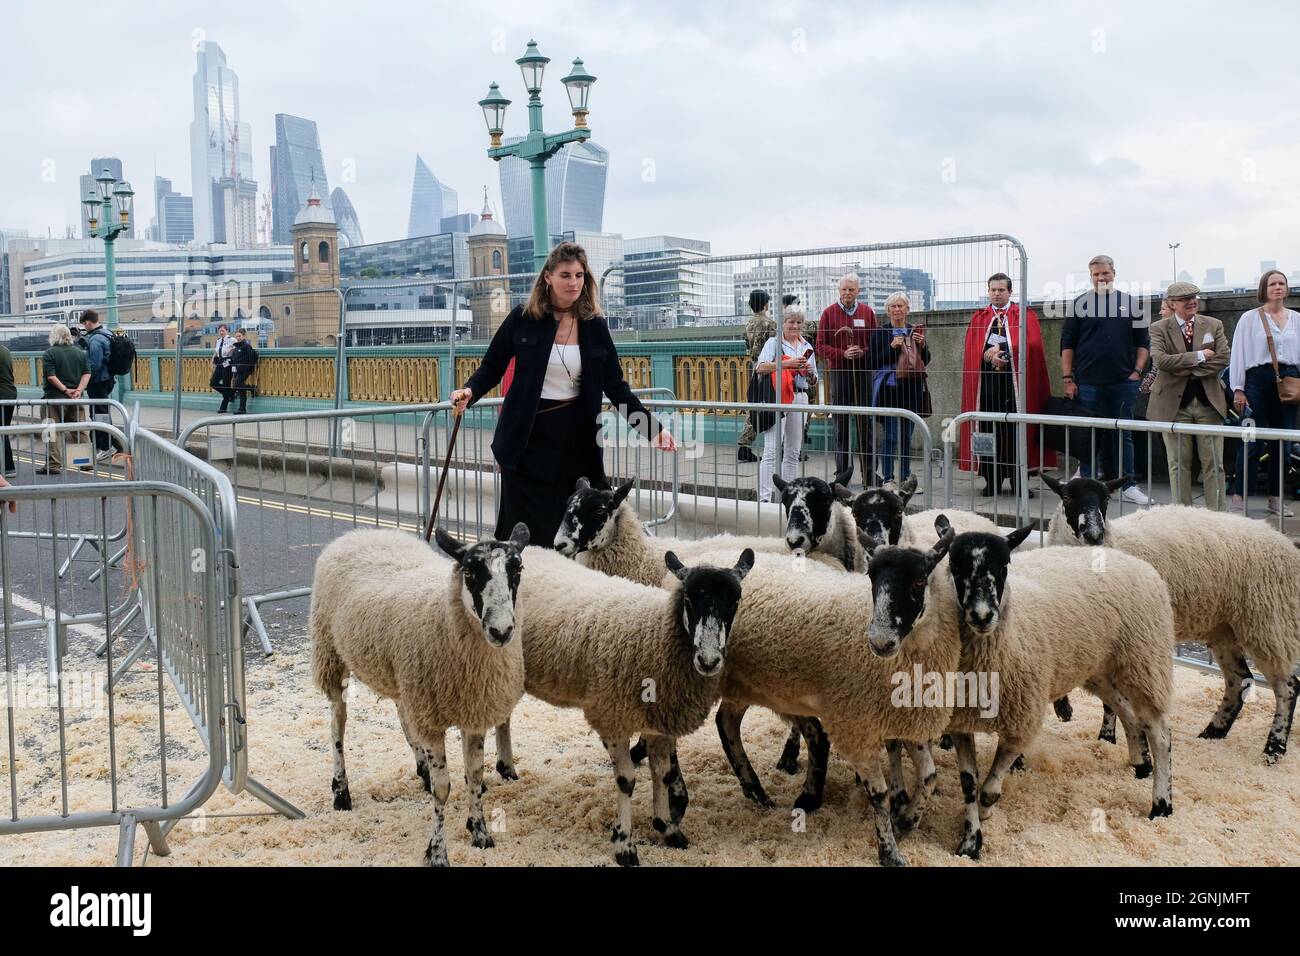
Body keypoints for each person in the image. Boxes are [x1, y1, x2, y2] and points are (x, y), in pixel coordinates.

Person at [450, 242, 677, 546]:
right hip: (528, 442)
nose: (573, 283)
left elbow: (616, 386)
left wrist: (652, 430)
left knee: (580, 531)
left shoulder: (594, 325)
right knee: (528, 533)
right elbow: (493, 366)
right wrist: (470, 391)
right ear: (547, 277)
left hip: (577, 441)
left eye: (579, 275)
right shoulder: (523, 318)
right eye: (565, 275)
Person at [1060, 254, 1152, 505]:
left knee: (1124, 435)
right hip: (1087, 382)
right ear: (1090, 276)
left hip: (1123, 382)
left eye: (1105, 273)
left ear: (1114, 273)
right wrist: (1068, 378)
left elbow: (1143, 342)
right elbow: (1067, 344)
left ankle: (1128, 484)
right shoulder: (1079, 304)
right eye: (1096, 274)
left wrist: (1137, 372)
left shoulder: (1131, 303)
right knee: (1089, 435)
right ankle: (1088, 485)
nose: (1101, 278)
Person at [959, 273, 1055, 496]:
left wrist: (1005, 352)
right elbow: (973, 351)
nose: (996, 294)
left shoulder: (1024, 315)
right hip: (988, 387)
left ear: (1010, 292)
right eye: (993, 290)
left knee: (1016, 431)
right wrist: (987, 356)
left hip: (1016, 387)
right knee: (988, 429)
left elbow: (1031, 345)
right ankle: (992, 480)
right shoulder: (980, 317)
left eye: (1001, 290)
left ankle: (1018, 481)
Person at [1147, 282, 1229, 510]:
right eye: (1185, 299)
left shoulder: (1214, 324)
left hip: (1209, 404)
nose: (1192, 301)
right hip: (1172, 406)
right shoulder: (1158, 328)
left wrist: (1185, 369)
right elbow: (1161, 361)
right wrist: (1200, 356)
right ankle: (1183, 519)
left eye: (1194, 297)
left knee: (1214, 463)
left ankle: (1217, 517)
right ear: (1172, 304)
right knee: (1178, 464)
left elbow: (1223, 359)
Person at [1228, 268, 1299, 516]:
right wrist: (1238, 388)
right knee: (1250, 440)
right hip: (1256, 381)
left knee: (1284, 442)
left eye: (1282, 283)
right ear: (1264, 289)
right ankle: (1239, 497)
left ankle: (1276, 498)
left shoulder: (1296, 319)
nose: (1278, 287)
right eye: (1273, 284)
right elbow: (1238, 353)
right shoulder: (1250, 318)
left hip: (1289, 381)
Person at [815, 272, 877, 485]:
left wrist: (863, 352)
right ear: (838, 291)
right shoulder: (828, 313)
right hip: (840, 373)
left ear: (858, 290)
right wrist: (842, 353)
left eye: (851, 289)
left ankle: (869, 474)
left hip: (862, 373)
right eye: (844, 289)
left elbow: (875, 343)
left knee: (865, 424)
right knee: (841, 424)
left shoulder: (867, 313)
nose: (848, 293)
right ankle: (842, 475)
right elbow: (820, 346)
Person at [754, 309, 818, 501]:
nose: (795, 326)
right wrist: (788, 364)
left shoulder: (807, 346)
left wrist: (808, 373)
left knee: (793, 451)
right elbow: (760, 367)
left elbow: (814, 380)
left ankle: (787, 497)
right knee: (772, 450)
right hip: (779, 397)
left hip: (800, 396)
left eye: (799, 323)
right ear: (783, 323)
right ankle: (764, 498)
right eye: (791, 322)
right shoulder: (773, 343)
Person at [870, 292, 929, 483]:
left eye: (901, 306)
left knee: (906, 438)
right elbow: (873, 361)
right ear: (887, 310)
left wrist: (923, 346)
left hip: (911, 390)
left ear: (908, 310)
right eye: (893, 306)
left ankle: (904, 477)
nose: (897, 310)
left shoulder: (914, 331)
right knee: (891, 437)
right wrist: (892, 347)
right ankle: (888, 478)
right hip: (889, 391)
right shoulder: (880, 332)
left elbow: (925, 361)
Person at [39, 324, 90, 476]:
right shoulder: (80, 353)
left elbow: (51, 376)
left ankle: (54, 464)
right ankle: (85, 462)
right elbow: (87, 373)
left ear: (53, 336)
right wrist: (78, 391)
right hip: (75, 399)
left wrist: (65, 390)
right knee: (79, 431)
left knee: (50, 432)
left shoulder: (49, 353)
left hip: (53, 399)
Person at [737, 290, 775, 463]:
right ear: (765, 304)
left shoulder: (748, 324)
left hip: (754, 366)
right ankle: (777, 446)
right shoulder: (770, 324)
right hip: (768, 368)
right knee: (773, 405)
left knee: (754, 405)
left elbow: (747, 346)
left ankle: (744, 446)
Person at [77, 310, 117, 460]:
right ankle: (102, 444)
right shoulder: (107, 333)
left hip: (98, 380)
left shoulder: (95, 340)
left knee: (99, 414)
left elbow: (94, 364)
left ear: (88, 322)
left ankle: (106, 447)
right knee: (101, 412)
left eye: (84, 324)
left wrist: (85, 380)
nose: (84, 327)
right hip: (108, 378)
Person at [229, 328, 259, 414]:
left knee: (238, 385)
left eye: (239, 336)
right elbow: (234, 359)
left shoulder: (247, 346)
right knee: (237, 385)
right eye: (237, 336)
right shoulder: (236, 347)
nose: (238, 338)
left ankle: (242, 408)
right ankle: (250, 389)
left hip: (245, 369)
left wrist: (246, 367)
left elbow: (251, 359)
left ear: (244, 336)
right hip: (238, 369)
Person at [212, 324, 236, 412]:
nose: (221, 332)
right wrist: (212, 360)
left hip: (228, 362)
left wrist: (231, 354)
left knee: (226, 383)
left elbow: (236, 350)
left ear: (227, 331)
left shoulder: (232, 340)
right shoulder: (218, 341)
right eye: (220, 331)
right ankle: (231, 393)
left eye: (223, 331)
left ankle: (224, 406)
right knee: (213, 382)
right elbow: (216, 352)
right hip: (220, 362)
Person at [0, 339, 15, 477]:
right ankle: (8, 467)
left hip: (1, 395)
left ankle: (8, 467)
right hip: (9, 393)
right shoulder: (5, 350)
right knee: (3, 431)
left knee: (1, 432)